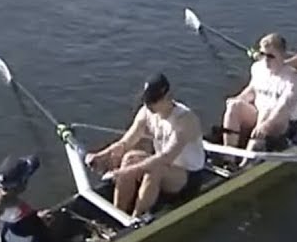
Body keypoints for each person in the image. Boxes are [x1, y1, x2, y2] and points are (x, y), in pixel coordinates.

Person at [83, 74, 209, 219]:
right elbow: (126, 142)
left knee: (154, 168)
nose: (149, 106)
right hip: (165, 168)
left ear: (168, 96)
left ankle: (136, 219)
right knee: (130, 157)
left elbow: (165, 158)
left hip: (188, 177)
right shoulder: (147, 112)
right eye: (147, 101)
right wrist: (100, 156)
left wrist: (126, 172)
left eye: (153, 101)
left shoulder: (185, 121)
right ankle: (118, 216)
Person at [220, 34, 297, 153]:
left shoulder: (292, 78)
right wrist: (237, 99)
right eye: (263, 54)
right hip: (259, 115)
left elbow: (284, 106)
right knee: (234, 106)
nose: (266, 59)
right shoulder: (257, 68)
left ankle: (246, 162)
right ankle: (229, 157)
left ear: (282, 56)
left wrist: (266, 124)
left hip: (282, 122)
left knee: (267, 112)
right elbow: (252, 90)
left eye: (270, 56)